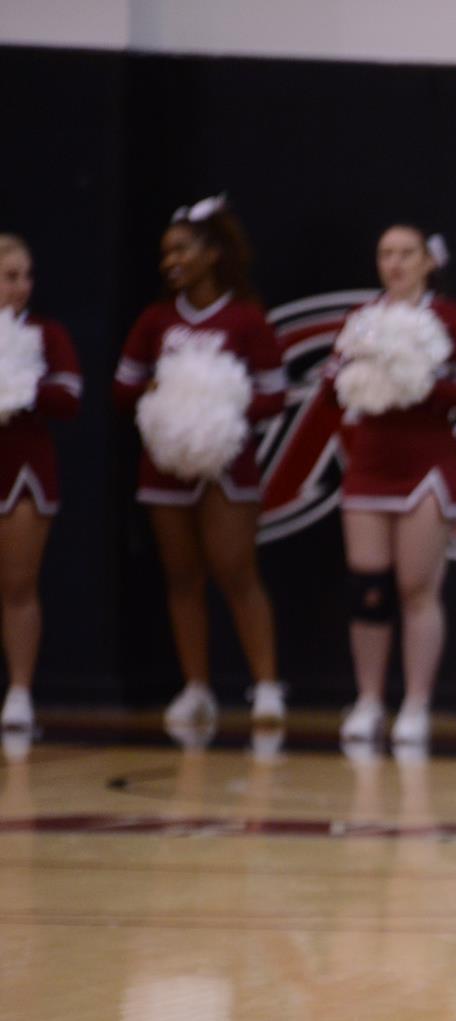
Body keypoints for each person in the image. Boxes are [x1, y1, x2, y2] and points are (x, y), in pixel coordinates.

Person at [112, 196, 286, 732]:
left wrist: (221, 404)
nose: (172, 261)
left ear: (213, 253)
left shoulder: (246, 318)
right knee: (182, 577)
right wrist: (163, 398)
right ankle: (196, 688)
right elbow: (123, 388)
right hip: (164, 464)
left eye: (182, 249)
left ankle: (266, 687)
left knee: (236, 572)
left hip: (226, 463)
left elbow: (274, 396)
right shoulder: (155, 319)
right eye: (167, 252)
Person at [327, 226, 456, 748]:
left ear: (428, 261)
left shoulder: (452, 318)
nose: (395, 263)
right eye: (386, 254)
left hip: (427, 465)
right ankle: (369, 700)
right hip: (370, 464)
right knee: (367, 589)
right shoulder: (362, 319)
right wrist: (365, 379)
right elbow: (333, 381)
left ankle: (416, 704)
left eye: (406, 253)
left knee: (417, 588)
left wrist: (417, 384)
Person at [0, 236, 82, 733]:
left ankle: (19, 692)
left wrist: (22, 385)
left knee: (17, 585)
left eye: (27, 276)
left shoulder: (46, 333)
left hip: (25, 469)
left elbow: (69, 397)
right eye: (10, 276)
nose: (22, 286)